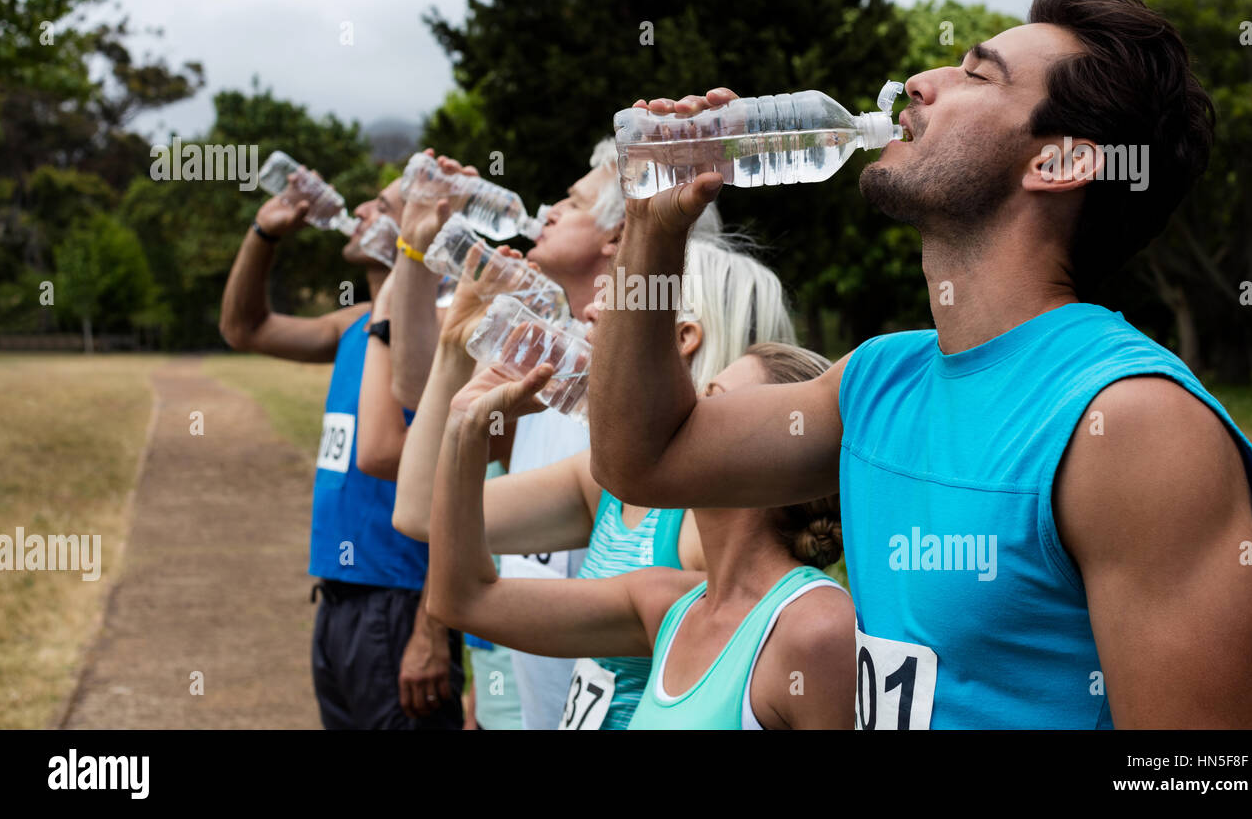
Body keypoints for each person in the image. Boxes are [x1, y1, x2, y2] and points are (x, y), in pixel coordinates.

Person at [587, 0, 1252, 728]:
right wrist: (655, 226)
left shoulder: (1130, 423)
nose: (920, 82)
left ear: (1058, 163)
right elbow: (641, 460)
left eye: (978, 75)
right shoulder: (879, 381)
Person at [396, 232, 795, 728]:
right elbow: (417, 513)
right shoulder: (607, 484)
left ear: (681, 337)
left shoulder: (706, 524)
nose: (585, 313)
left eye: (612, 300)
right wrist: (455, 353)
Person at [425, 342, 856, 729]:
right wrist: (465, 429)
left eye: (713, 399)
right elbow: (461, 600)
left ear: (781, 456)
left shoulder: (816, 628)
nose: (687, 412)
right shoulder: (668, 605)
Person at [218, 169, 462, 729]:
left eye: (379, 205)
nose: (357, 211)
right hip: (338, 599)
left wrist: (430, 629)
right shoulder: (357, 325)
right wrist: (264, 233)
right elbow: (243, 328)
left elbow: (467, 485)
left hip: (402, 601)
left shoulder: (444, 328)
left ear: (422, 226)